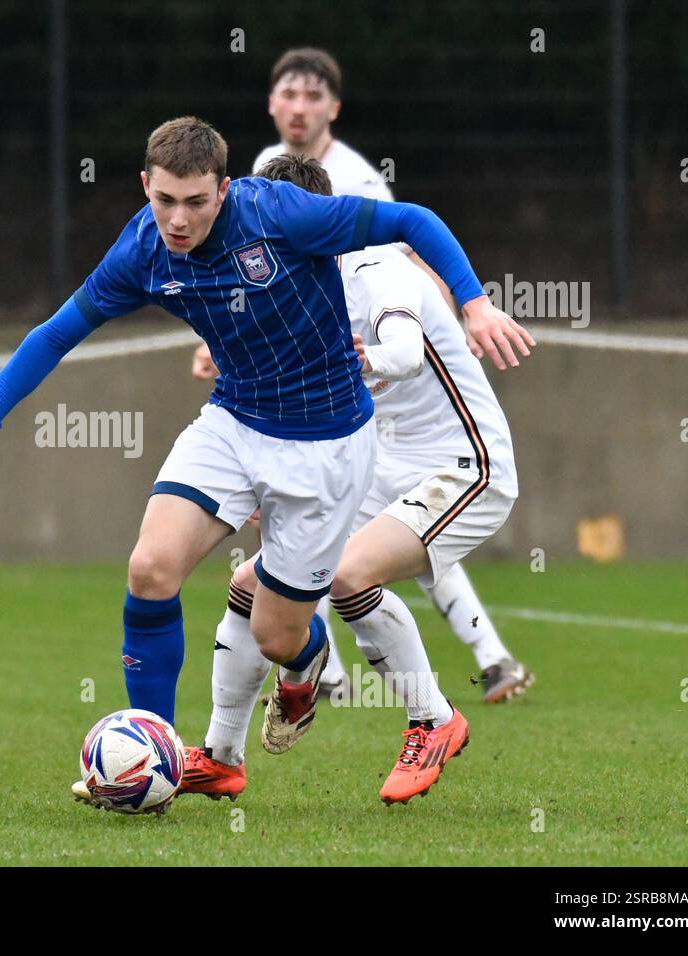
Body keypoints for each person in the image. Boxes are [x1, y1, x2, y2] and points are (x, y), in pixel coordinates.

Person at [0, 116, 531, 809]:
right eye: (164, 201)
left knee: (277, 633)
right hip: (234, 423)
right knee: (151, 569)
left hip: (328, 448)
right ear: (144, 187)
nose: (178, 220)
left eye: (196, 202)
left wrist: (476, 303)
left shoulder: (280, 213)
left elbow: (414, 221)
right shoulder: (143, 249)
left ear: (225, 188)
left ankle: (304, 665)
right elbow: (56, 333)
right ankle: (158, 751)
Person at [184, 155, 523, 806]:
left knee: (347, 577)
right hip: (381, 467)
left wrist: (369, 354)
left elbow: (404, 346)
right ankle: (222, 755)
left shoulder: (376, 266)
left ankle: (434, 720)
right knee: (251, 586)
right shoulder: (296, 293)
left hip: (466, 464)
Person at [202, 46, 533, 703]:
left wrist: (461, 307)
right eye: (287, 97)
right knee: (309, 542)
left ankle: (443, 685)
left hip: (404, 389)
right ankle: (289, 697)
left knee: (369, 549)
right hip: (368, 407)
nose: (298, 108)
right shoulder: (265, 175)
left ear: (333, 108)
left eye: (312, 98)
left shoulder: (355, 189)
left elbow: (405, 244)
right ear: (272, 105)